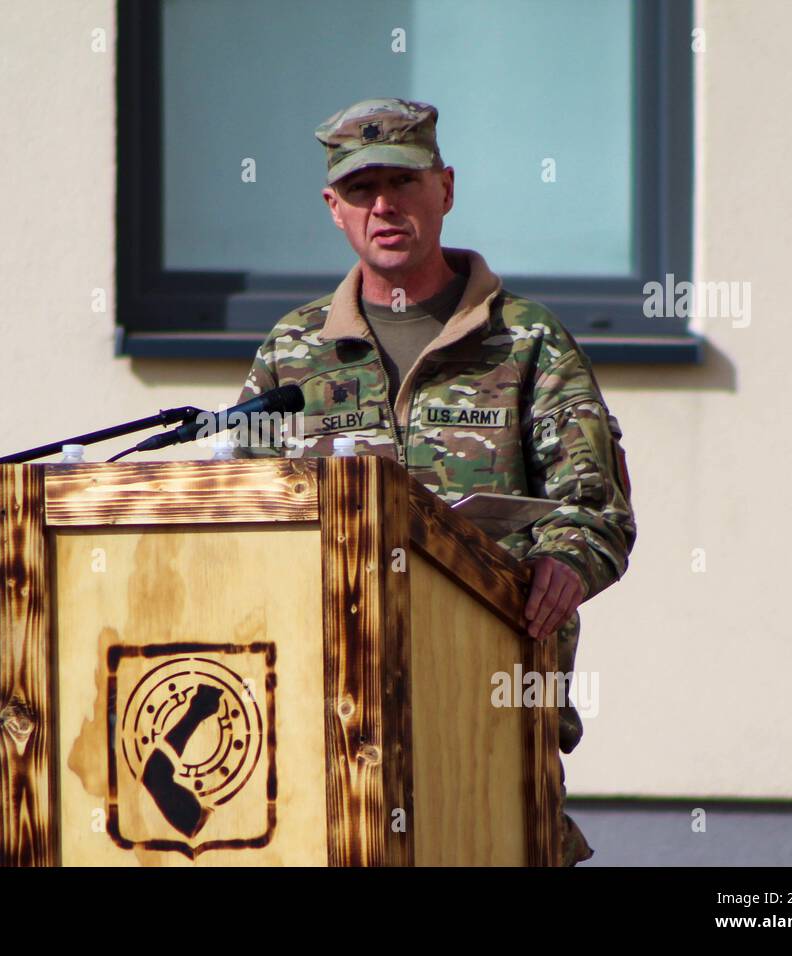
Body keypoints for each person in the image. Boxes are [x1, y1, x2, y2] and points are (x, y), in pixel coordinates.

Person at [232, 98, 636, 866]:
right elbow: (246, 512)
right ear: (334, 209)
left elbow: (595, 507)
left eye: (404, 183)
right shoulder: (292, 352)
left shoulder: (528, 341)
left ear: (445, 190)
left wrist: (563, 564)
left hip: (489, 711)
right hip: (328, 728)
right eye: (362, 190)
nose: (385, 206)